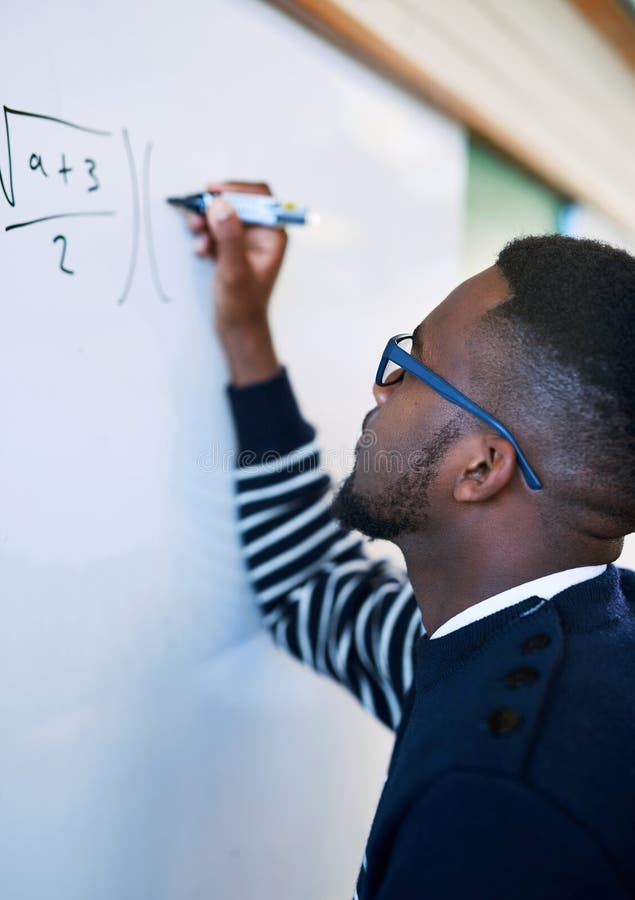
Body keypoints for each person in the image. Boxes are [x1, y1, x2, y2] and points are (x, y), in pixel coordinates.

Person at [189, 181, 635, 900]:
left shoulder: (496, 814)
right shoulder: (533, 640)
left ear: (481, 467)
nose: (382, 389)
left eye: (413, 366)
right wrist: (245, 331)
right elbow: (310, 586)